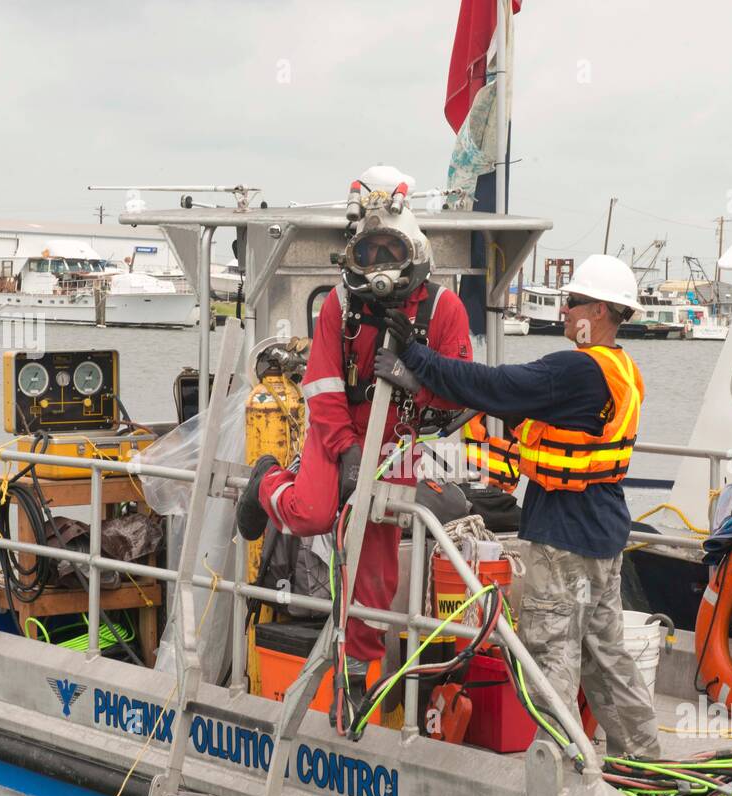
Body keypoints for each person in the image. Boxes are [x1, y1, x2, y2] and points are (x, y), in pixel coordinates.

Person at [374, 254, 660, 760]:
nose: (566, 312)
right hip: (605, 538)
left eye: (572, 303)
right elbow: (513, 405)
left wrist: (418, 357)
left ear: (597, 310)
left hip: (563, 544)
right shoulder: (624, 371)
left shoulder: (574, 368)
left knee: (552, 659)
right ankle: (641, 761)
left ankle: (558, 778)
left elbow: (496, 386)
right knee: (607, 658)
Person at [236, 166, 472, 730]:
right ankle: (267, 479)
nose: (379, 261)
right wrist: (342, 448)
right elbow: (319, 383)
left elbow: (464, 390)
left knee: (375, 564)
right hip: (336, 427)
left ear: (411, 247)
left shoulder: (443, 311)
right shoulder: (339, 309)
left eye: (390, 248)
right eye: (369, 250)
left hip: (397, 436)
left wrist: (420, 380)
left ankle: (357, 679)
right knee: (313, 511)